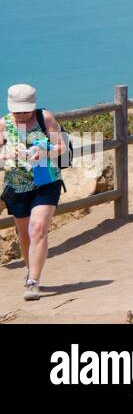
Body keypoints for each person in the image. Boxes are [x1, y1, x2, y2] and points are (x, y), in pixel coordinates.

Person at [1, 84, 70, 301]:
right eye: (17, 110)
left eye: (25, 110)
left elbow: (62, 147)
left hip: (46, 181)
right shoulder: (3, 124)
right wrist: (7, 153)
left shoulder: (44, 118)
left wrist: (45, 151)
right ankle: (30, 269)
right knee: (24, 234)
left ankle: (33, 281)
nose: (21, 114)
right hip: (16, 186)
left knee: (38, 228)